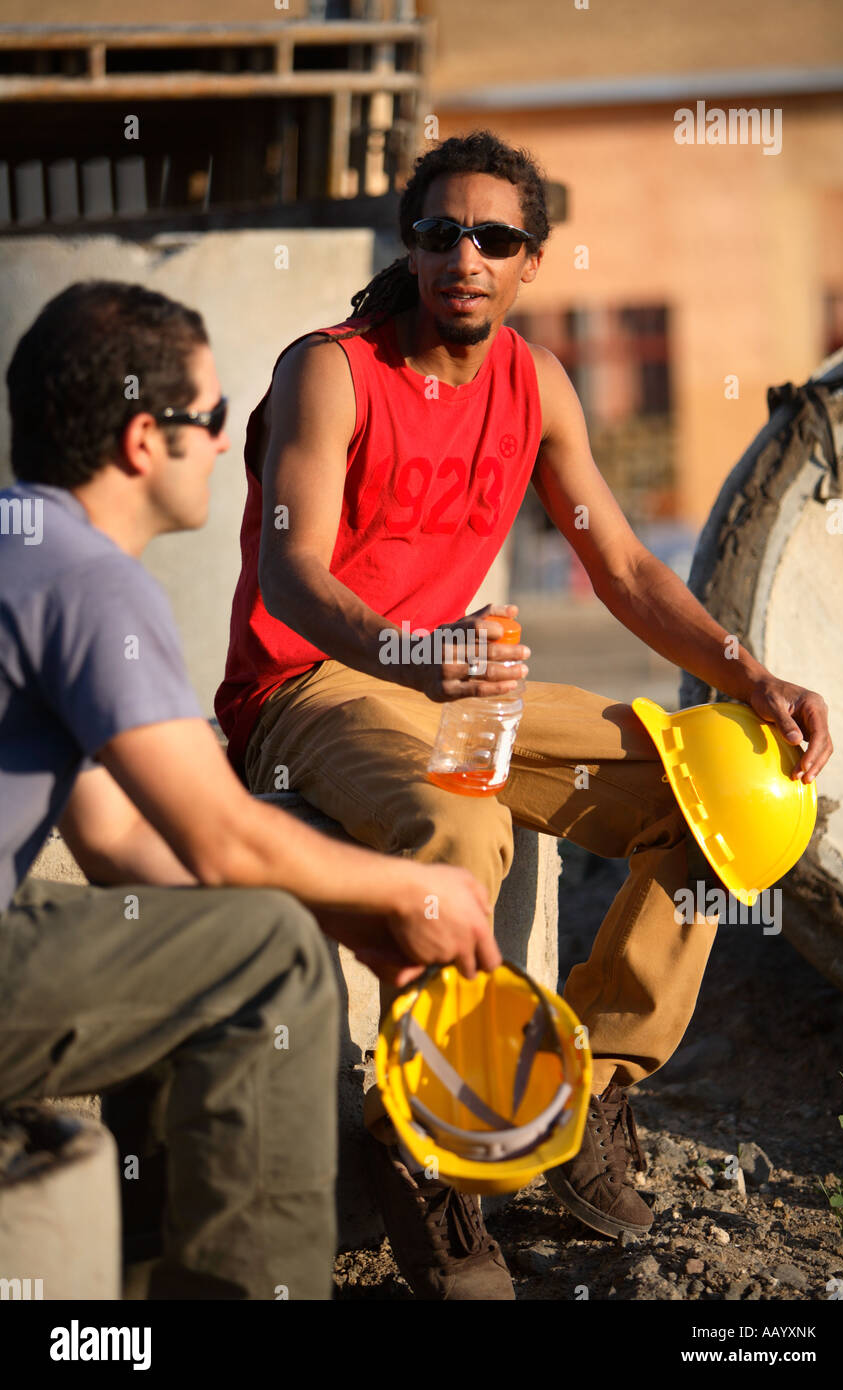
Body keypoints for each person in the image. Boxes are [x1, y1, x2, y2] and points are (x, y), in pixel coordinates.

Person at [215, 129, 833, 1301]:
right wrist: (412, 652)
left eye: (492, 237)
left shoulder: (534, 384)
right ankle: (431, 1145)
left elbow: (627, 573)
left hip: (455, 686)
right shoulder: (331, 370)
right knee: (459, 835)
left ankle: (585, 1088)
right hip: (313, 689)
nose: (463, 255)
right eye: (439, 232)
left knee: (726, 792)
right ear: (410, 244)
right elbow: (292, 576)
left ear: (530, 262)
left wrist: (751, 674)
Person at [0, 280, 498, 1302]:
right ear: (146, 438)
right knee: (266, 955)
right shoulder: (91, 582)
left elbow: (124, 845)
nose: (231, 446)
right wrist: (411, 892)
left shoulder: (22, 544)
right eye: (214, 418)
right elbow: (225, 836)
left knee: (188, 929)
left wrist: (356, 924)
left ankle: (140, 1289)